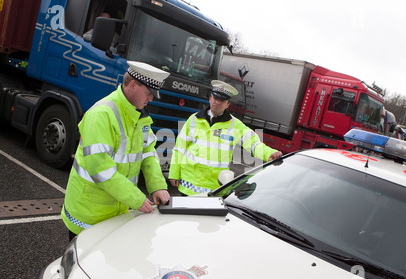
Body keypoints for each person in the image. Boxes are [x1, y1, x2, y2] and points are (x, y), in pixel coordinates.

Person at [61, 61, 171, 241]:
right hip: (89, 213)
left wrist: (157, 185)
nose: (150, 99)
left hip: (115, 210)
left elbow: (148, 154)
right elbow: (100, 168)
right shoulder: (102, 115)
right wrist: (136, 198)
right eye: (149, 93)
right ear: (133, 85)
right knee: (82, 266)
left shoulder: (139, 115)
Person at [169, 80, 283, 195]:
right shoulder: (193, 119)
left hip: (213, 189)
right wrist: (174, 172)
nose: (217, 102)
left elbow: (253, 143)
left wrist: (269, 153)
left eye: (222, 100)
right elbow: (180, 147)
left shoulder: (235, 125)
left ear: (228, 104)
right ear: (210, 98)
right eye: (215, 98)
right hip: (187, 186)